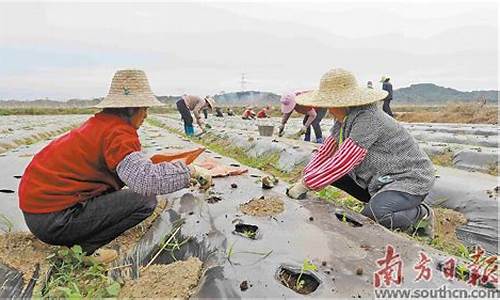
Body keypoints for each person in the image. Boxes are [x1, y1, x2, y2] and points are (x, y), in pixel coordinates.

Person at [18, 70, 212, 263]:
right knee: (145, 200)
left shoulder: (102, 124)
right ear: (131, 109)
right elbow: (145, 181)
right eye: (144, 108)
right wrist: (190, 171)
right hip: (54, 218)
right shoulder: (118, 133)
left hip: (40, 211)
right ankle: (84, 251)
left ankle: (77, 239)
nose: (146, 115)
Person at [286, 68, 435, 237]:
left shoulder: (369, 118)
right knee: (333, 175)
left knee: (375, 216)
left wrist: (307, 184)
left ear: (342, 102)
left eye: (329, 104)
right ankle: (381, 200)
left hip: (408, 179)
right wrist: (306, 176)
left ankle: (421, 214)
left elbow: (345, 160)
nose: (327, 109)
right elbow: (327, 150)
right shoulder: (343, 119)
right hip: (380, 179)